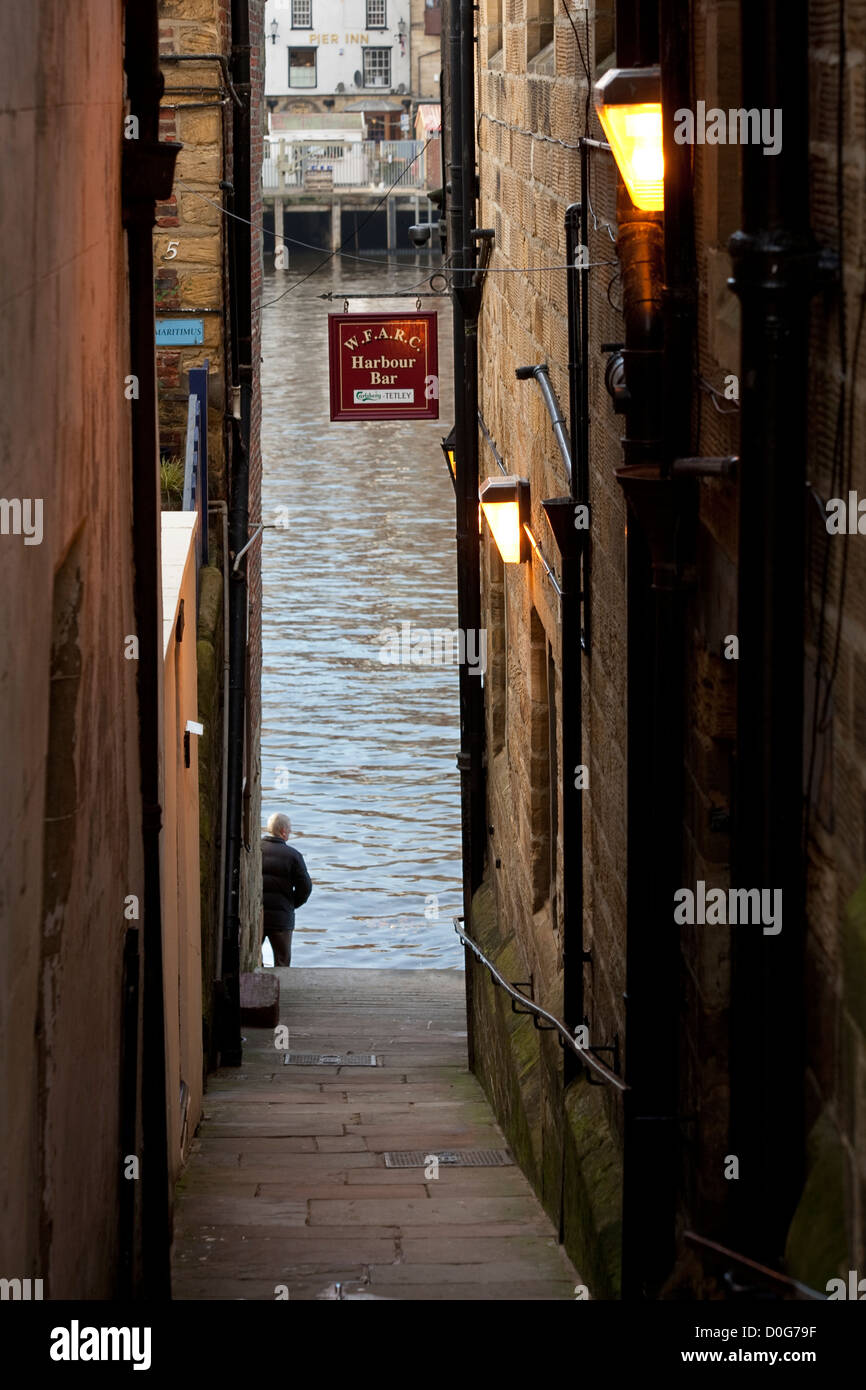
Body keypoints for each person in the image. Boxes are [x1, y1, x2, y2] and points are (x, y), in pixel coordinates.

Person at [261, 812, 312, 967]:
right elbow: (306, 887)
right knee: (282, 962)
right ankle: (281, 990)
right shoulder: (293, 856)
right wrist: (291, 904)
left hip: (257, 914)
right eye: (290, 829)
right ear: (283, 831)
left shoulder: (254, 849)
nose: (290, 832)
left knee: (252, 959)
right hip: (281, 919)